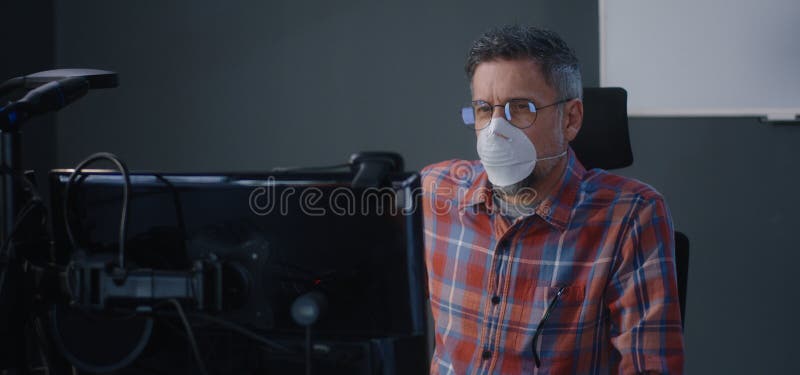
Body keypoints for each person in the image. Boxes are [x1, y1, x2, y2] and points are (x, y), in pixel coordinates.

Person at [421, 25, 684, 374]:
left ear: (571, 119)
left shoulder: (629, 215)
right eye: (485, 110)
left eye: (520, 108)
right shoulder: (435, 191)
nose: (496, 131)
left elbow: (649, 367)